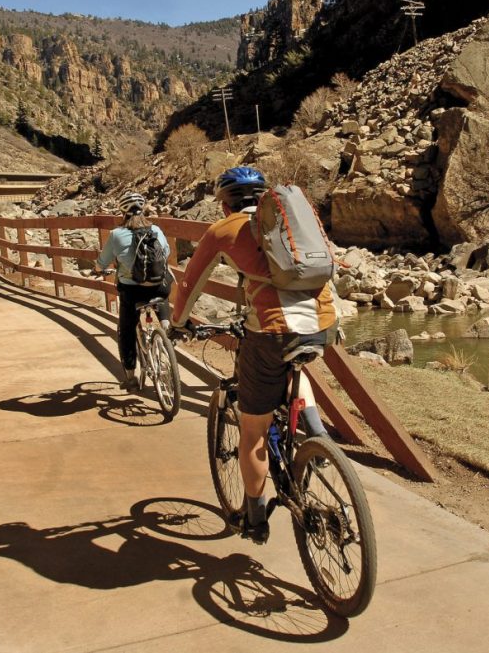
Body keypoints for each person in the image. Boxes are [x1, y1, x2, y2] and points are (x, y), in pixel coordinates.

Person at [170, 167, 338, 544]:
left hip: (271, 333)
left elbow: (189, 283)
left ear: (225, 202)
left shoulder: (224, 229)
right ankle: (318, 435)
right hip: (322, 323)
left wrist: (179, 322)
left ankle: (256, 517)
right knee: (296, 364)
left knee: (253, 433)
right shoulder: (288, 221)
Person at [96, 191, 172, 392]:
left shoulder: (116, 234)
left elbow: (101, 262)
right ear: (144, 208)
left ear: (122, 212)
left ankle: (130, 377)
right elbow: (166, 253)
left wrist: (100, 269)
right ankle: (167, 330)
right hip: (158, 285)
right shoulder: (156, 229)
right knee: (161, 297)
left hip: (131, 291)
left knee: (127, 330)